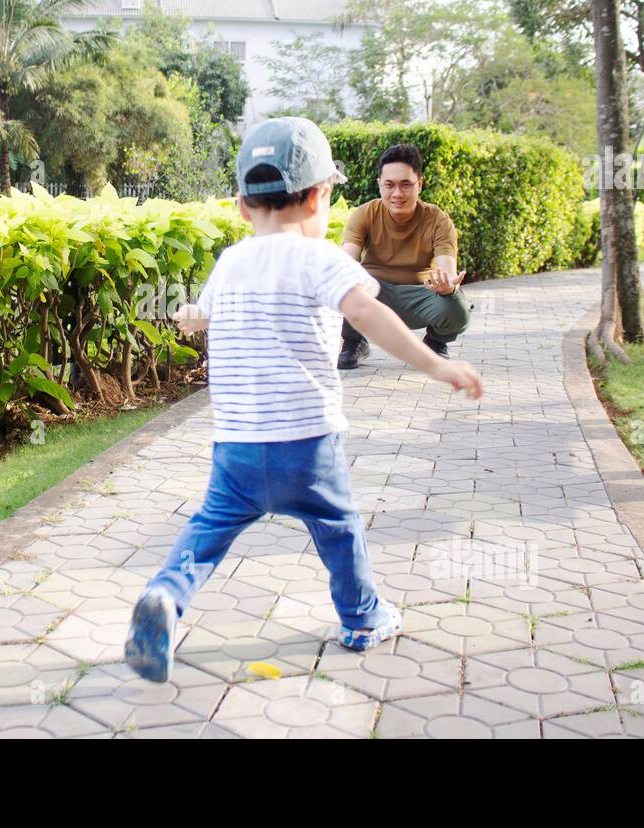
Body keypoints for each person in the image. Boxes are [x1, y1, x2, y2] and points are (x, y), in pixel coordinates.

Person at [123, 117, 483, 684]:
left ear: (243, 207)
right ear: (320, 197)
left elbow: (202, 316)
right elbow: (369, 315)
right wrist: (437, 364)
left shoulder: (230, 261)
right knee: (338, 527)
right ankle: (362, 619)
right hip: (307, 445)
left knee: (208, 530)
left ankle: (166, 595)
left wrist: (191, 317)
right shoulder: (322, 260)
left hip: (237, 447)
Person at [338, 143, 471, 369]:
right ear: (379, 184)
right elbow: (346, 260)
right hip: (375, 292)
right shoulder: (364, 214)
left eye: (406, 185)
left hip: (420, 294)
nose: (397, 193)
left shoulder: (437, 219)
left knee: (457, 308)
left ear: (419, 184)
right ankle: (353, 341)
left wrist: (447, 286)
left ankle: (436, 343)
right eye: (389, 185)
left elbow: (446, 268)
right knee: (339, 288)